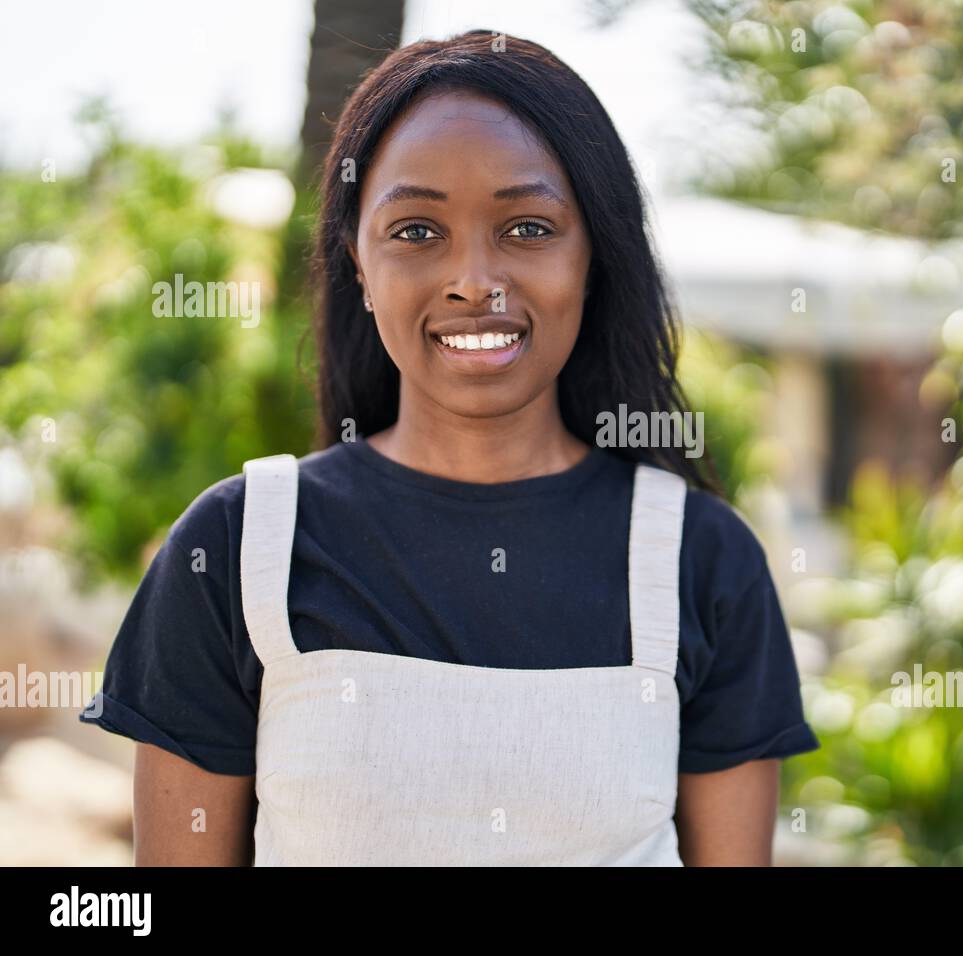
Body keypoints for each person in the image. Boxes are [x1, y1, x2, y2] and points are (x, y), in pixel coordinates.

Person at [80, 29, 819, 866]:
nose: (474, 278)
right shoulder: (240, 549)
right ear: (358, 261)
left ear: (594, 257)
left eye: (529, 227)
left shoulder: (703, 561)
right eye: (417, 231)